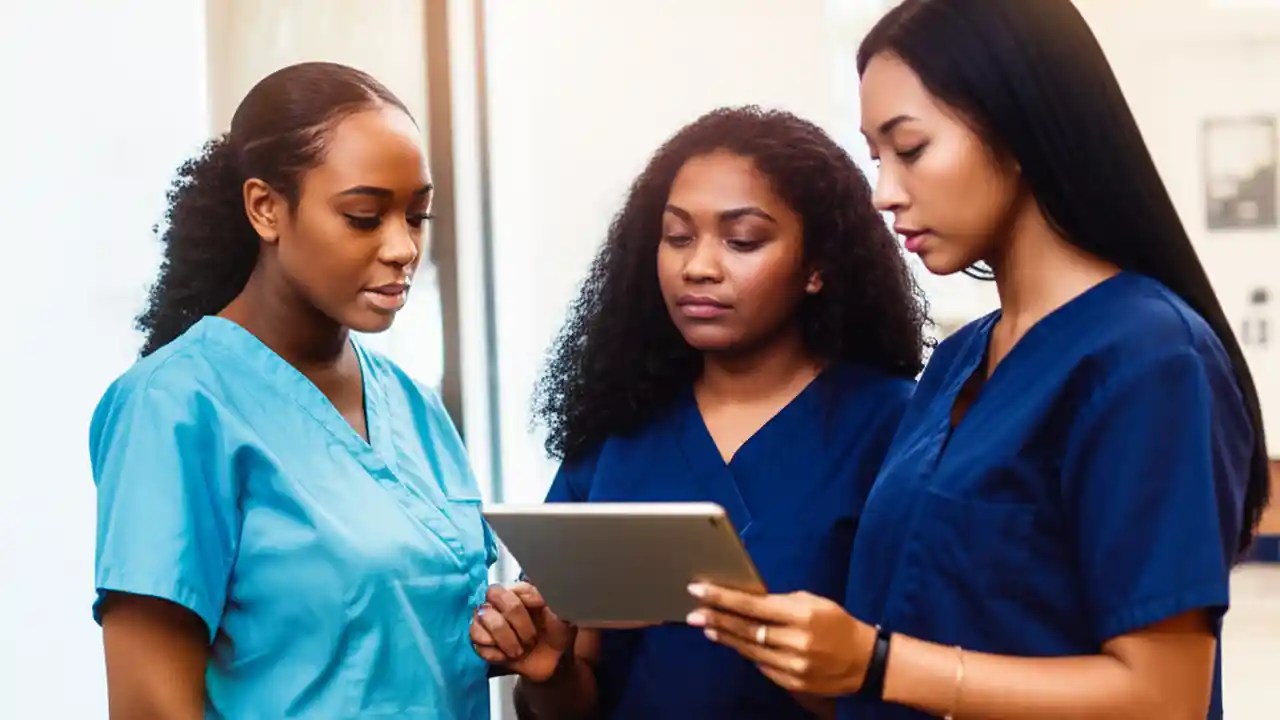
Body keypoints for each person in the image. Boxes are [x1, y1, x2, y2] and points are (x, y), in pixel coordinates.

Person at [686, 2, 1271, 719]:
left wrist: (876, 661)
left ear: (1015, 126)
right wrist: (796, 646)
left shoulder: (1148, 357)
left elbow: (1162, 698)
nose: (884, 193)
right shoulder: (960, 361)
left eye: (911, 149)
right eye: (875, 157)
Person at [471, 106, 928, 719]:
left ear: (817, 266)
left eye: (742, 240)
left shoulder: (899, 430)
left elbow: (915, 686)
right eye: (678, 236)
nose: (698, 267)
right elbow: (570, 702)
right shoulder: (618, 434)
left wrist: (786, 652)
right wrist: (549, 672)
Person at [90, 62, 494, 719]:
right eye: (365, 217)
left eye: (417, 216)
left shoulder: (417, 409)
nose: (402, 248)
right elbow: (148, 706)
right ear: (266, 208)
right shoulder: (175, 407)